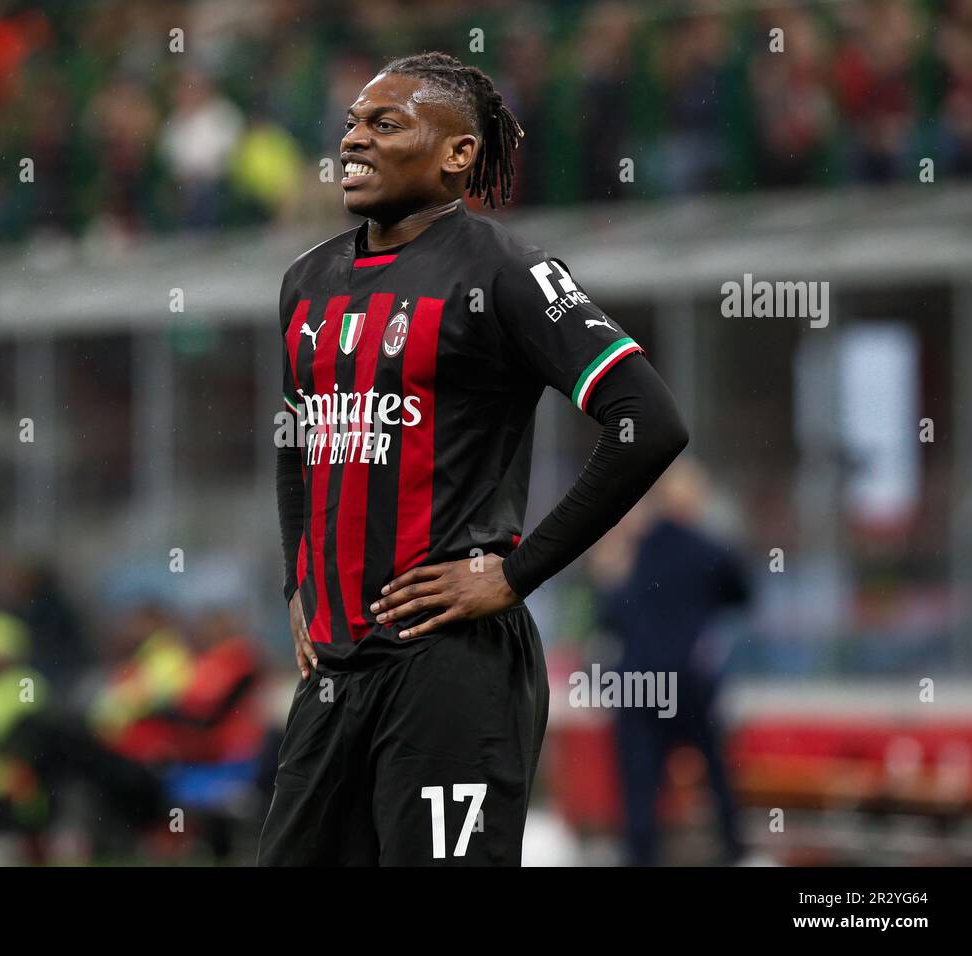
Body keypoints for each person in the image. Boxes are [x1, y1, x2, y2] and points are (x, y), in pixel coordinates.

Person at [259, 51, 688, 866]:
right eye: (351, 123)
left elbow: (648, 419)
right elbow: (296, 440)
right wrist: (298, 581)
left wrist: (513, 574)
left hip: (449, 669)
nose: (354, 140)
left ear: (458, 153)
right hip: (334, 669)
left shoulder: (507, 270)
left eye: (385, 125)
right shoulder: (306, 280)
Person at [594, 458, 751, 865]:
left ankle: (641, 856)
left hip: (638, 681)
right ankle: (735, 851)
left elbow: (611, 616)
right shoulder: (709, 550)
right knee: (717, 773)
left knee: (640, 786)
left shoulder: (633, 550)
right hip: (690, 680)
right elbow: (742, 594)